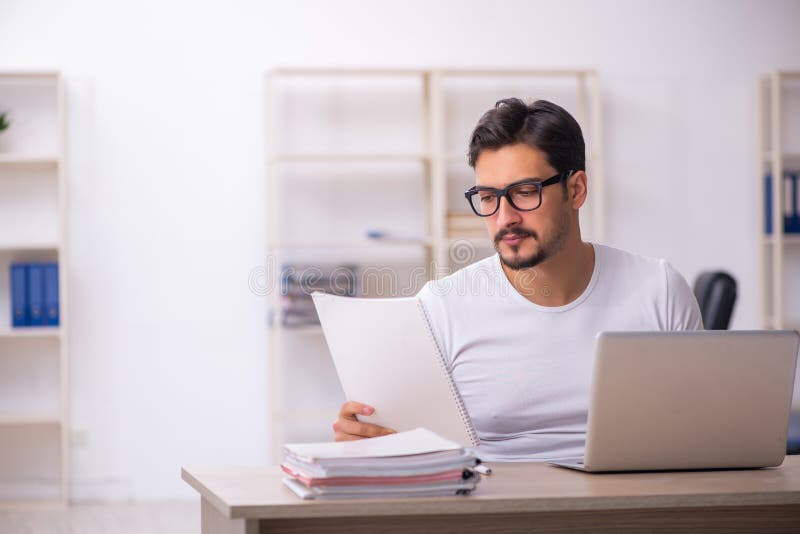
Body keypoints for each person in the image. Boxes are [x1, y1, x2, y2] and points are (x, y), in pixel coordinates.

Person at [332, 98, 703, 461]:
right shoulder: (441, 307)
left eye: (525, 193)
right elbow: (410, 451)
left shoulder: (660, 290)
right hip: (498, 514)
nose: (504, 217)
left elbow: (700, 434)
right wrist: (366, 441)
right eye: (488, 197)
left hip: (631, 513)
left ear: (576, 190)